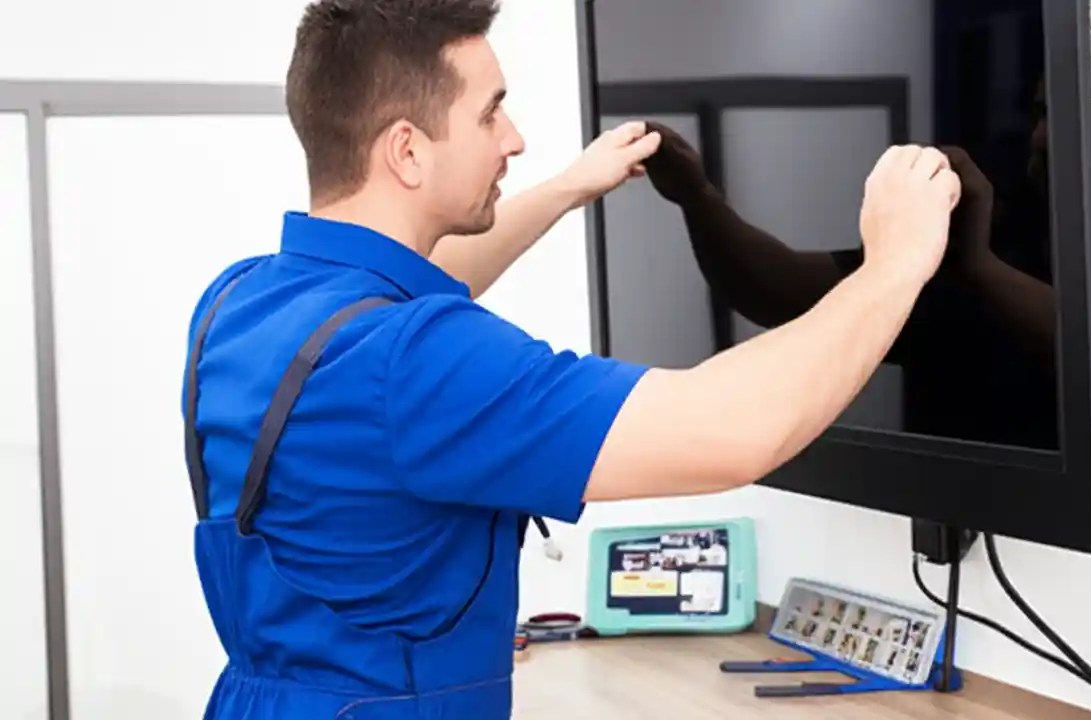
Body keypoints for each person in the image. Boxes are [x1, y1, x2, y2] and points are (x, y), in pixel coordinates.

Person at [180, 0, 959, 718]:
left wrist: (566, 190)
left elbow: (408, 292)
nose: (513, 137)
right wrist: (896, 260)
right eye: (490, 114)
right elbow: (736, 429)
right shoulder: (418, 362)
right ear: (407, 151)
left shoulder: (242, 302)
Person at [640, 86, 1058, 450]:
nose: (1039, 135)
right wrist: (696, 196)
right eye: (1039, 113)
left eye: (1054, 115)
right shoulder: (1000, 223)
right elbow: (776, 287)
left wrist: (979, 268)